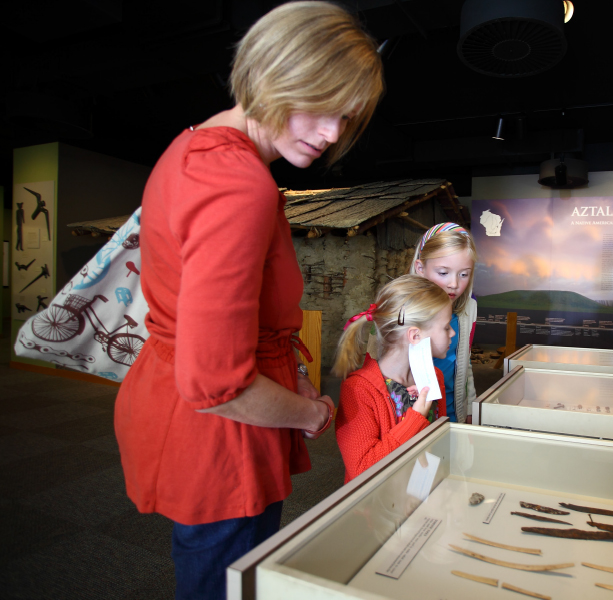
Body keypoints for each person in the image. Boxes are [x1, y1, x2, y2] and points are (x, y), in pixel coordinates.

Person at [113, 3, 383, 598]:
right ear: (274, 74)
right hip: (222, 438)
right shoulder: (239, 182)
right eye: (321, 104)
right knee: (227, 582)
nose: (334, 133)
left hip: (193, 416)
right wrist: (312, 413)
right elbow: (218, 385)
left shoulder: (194, 147)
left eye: (348, 116)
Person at [334, 275, 453, 482]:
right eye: (445, 327)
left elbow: (438, 441)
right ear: (415, 336)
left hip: (423, 494)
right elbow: (363, 469)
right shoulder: (358, 389)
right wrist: (415, 420)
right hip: (375, 507)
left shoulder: (435, 376)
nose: (452, 333)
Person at [410, 223, 479, 423]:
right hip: (411, 416)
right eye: (443, 272)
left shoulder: (468, 309)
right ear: (421, 268)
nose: (454, 284)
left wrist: (469, 406)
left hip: (452, 413)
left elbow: (465, 360)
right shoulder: (400, 310)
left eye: (463, 274)